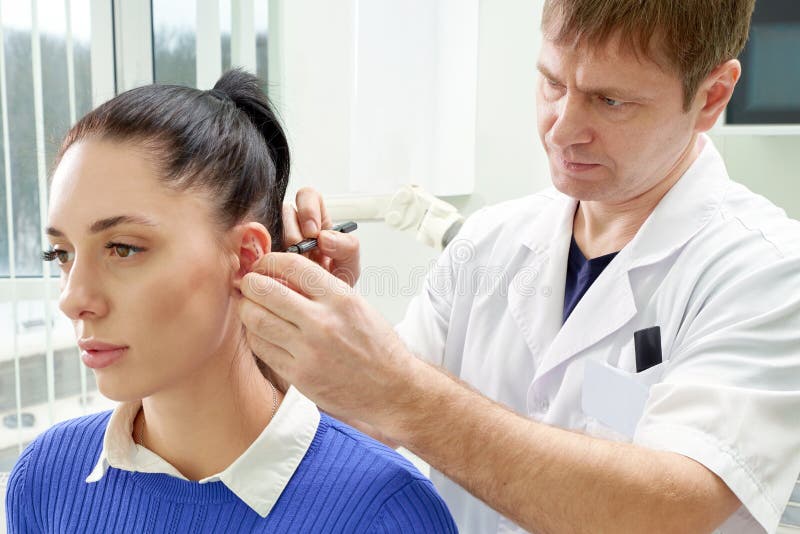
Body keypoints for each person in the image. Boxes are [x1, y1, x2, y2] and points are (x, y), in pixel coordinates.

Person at [237, 2, 800, 533]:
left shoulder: (765, 271)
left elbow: (668, 509)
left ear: (712, 96)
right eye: (553, 83)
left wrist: (398, 390)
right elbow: (368, 426)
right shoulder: (489, 242)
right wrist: (304, 334)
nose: (561, 128)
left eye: (610, 101)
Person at [5, 69, 457, 533]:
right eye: (61, 253)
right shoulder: (46, 479)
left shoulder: (385, 511)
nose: (73, 298)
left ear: (245, 258)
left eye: (123, 248)